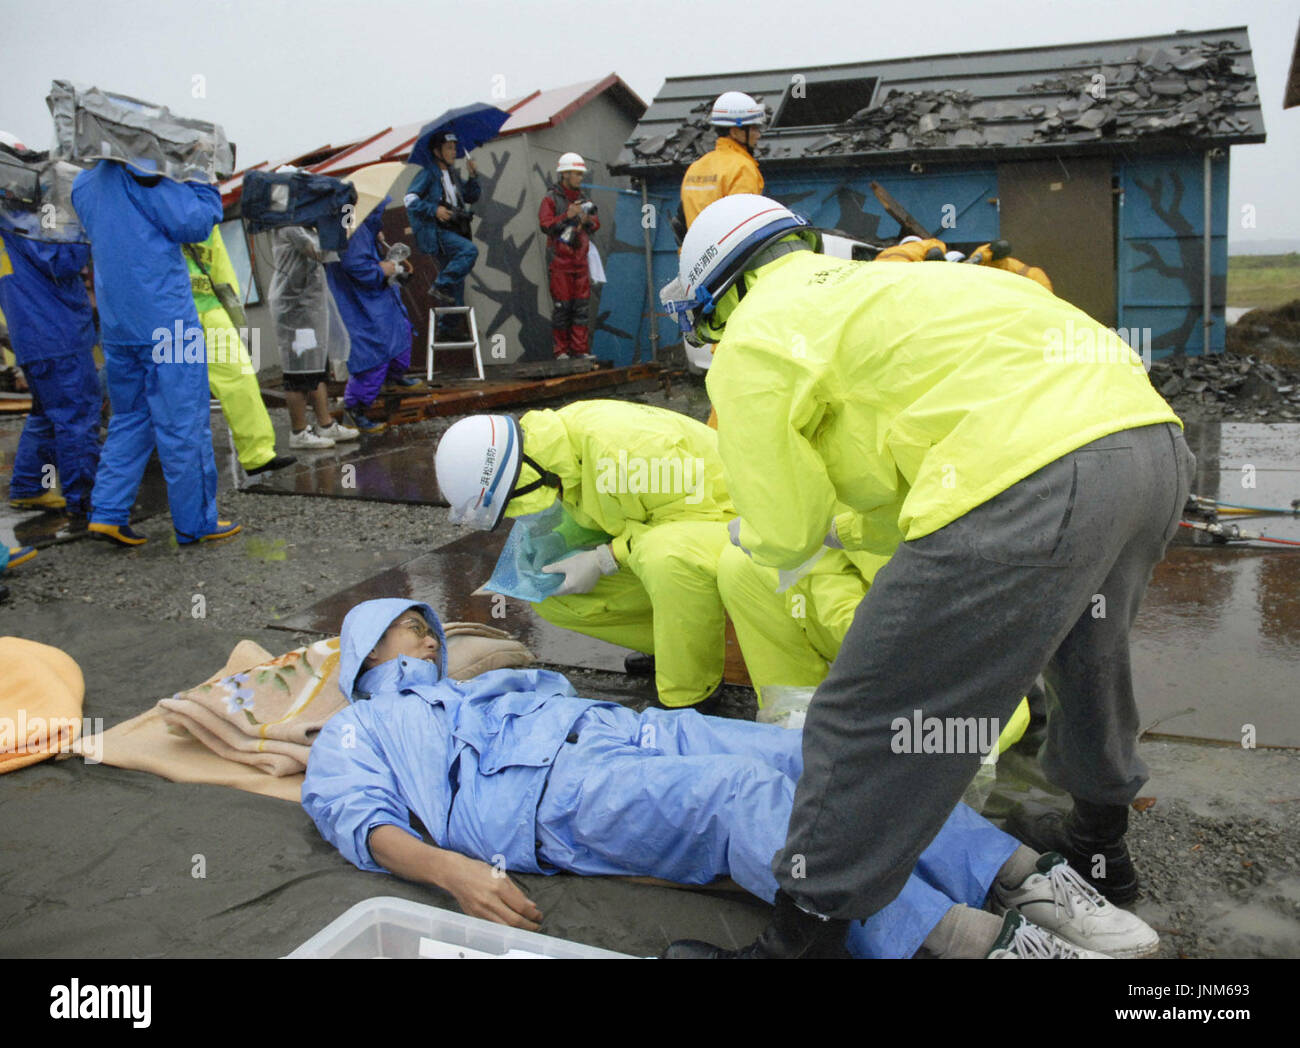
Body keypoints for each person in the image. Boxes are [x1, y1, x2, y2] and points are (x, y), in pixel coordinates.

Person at [658, 193, 1194, 958]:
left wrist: (763, 534)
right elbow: (897, 486)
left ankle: (799, 941)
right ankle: (1100, 851)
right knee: (1089, 660)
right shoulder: (898, 286)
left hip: (1031, 471)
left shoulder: (756, 338)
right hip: (1148, 445)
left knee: (863, 715)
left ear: (721, 295)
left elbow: (785, 529)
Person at [302, 597, 1159, 958]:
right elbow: (354, 815)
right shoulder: (358, 727)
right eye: (409, 630)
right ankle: (968, 940)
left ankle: (1026, 879)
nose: (427, 636)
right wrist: (451, 870)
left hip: (622, 732)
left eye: (427, 627)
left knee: (820, 753)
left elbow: (556, 693)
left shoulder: (481, 682)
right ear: (365, 647)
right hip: (537, 795)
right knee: (742, 801)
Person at [434, 401, 735, 713]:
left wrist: (605, 558)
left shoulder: (628, 449)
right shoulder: (555, 451)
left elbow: (695, 522)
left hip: (743, 527)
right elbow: (604, 507)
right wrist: (541, 555)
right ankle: (676, 647)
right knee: (553, 592)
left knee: (665, 558)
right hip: (678, 531)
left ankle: (695, 692)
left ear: (522, 477)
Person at [71, 159, 241, 547]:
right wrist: (202, 181)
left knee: (130, 417)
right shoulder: (144, 175)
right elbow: (195, 224)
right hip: (166, 320)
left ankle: (108, 512)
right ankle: (195, 522)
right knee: (183, 423)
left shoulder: (84, 183)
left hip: (117, 324)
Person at [0, 229, 100, 517]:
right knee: (76, 414)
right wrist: (83, 232)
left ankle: (32, 486)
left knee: (47, 414)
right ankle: (86, 502)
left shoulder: (8, 222)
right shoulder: (26, 221)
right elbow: (61, 260)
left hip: (32, 335)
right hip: (56, 332)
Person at [184, 225, 296, 474]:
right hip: (175, 310)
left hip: (207, 306)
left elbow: (220, 263)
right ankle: (191, 469)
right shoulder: (170, 201)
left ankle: (258, 454)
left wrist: (232, 309)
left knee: (240, 378)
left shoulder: (202, 209)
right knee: (182, 397)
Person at [325, 195, 413, 435]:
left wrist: (374, 232)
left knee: (400, 333)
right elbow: (356, 265)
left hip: (375, 302)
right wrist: (381, 269)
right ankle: (355, 411)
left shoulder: (359, 225)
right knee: (372, 357)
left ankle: (394, 379)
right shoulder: (353, 230)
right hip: (362, 305)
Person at [267, 223, 358, 449]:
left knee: (316, 368)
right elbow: (319, 252)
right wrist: (341, 230)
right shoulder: (290, 226)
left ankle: (325, 425)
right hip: (294, 309)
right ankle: (298, 432)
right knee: (297, 372)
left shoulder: (306, 227)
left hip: (309, 307)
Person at [404, 131, 481, 322]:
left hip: (455, 230)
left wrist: (473, 176)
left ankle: (448, 326)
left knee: (457, 285)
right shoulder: (428, 173)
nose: (454, 152)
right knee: (469, 251)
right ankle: (440, 284)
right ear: (437, 152)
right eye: (449, 148)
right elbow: (409, 199)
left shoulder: (453, 174)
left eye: (454, 148)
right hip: (438, 232)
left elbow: (471, 197)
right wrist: (434, 210)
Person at [538, 152, 599, 360]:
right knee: (562, 308)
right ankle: (561, 351)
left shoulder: (585, 198)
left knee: (581, 309)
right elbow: (545, 225)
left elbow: (596, 224)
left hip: (580, 263)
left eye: (581, 174)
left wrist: (585, 219)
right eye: (576, 174)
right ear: (564, 174)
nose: (580, 178)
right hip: (560, 264)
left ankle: (580, 350)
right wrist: (568, 216)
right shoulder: (551, 198)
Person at [678, 91, 766, 232]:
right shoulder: (742, 168)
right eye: (754, 128)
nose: (758, 134)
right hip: (729, 252)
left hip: (696, 252)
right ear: (735, 131)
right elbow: (744, 226)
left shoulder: (695, 167)